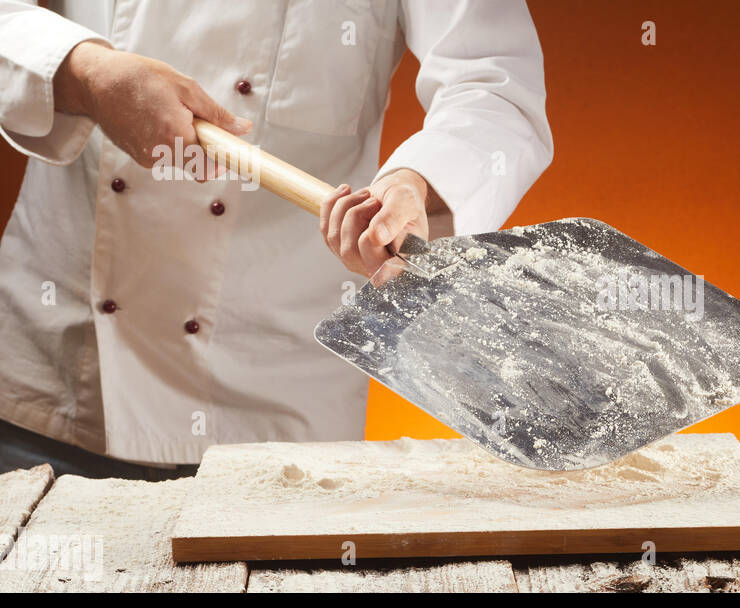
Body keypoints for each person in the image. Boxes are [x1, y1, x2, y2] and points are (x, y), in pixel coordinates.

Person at [0, 0, 553, 478]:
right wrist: (88, 74)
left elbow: (493, 82)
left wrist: (417, 183)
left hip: (273, 396)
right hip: (54, 372)